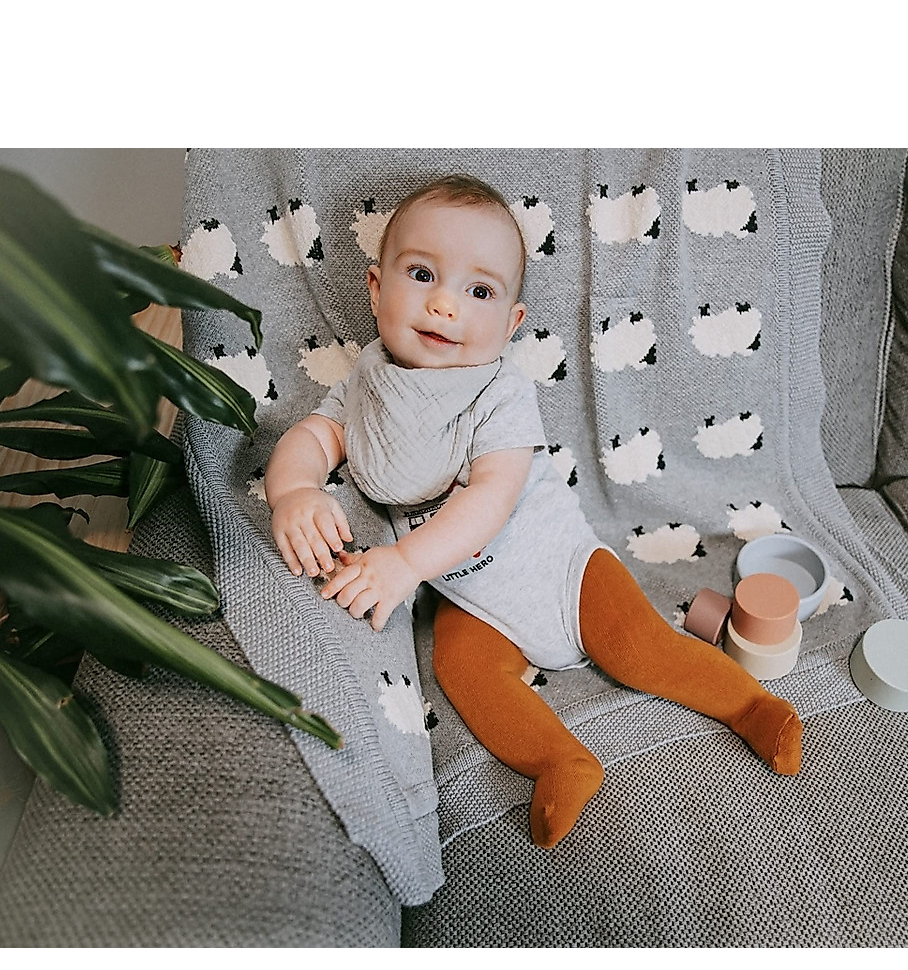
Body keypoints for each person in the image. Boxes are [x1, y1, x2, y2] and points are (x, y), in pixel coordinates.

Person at [265, 174, 802, 849]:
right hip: (469, 594)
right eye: (422, 274)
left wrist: (403, 562)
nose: (444, 304)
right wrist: (295, 491)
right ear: (376, 289)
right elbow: (315, 438)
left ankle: (752, 706)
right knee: (463, 670)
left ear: (511, 324)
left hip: (559, 568)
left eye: (479, 291)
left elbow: (490, 499)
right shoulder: (365, 384)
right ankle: (559, 761)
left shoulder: (498, 392)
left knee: (638, 648)